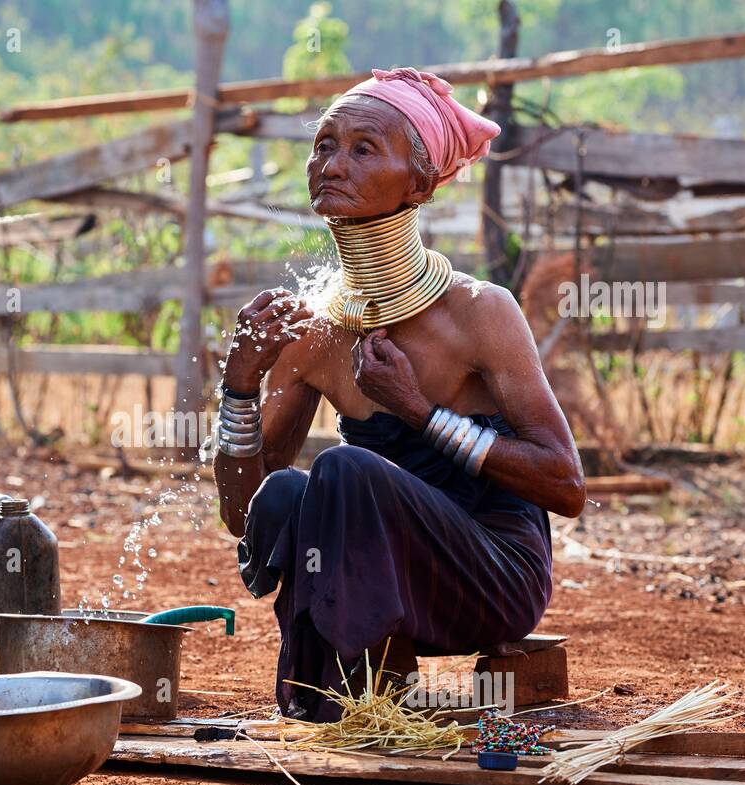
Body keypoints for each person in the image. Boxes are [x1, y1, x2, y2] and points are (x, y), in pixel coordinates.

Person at [211, 69, 585, 722]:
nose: (333, 164)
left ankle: (363, 691)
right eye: (324, 145)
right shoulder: (314, 332)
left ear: (420, 182)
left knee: (342, 468)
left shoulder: (479, 312)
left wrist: (422, 414)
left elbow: (566, 485)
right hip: (387, 586)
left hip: (492, 580)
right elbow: (247, 517)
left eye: (363, 148)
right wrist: (238, 388)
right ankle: (354, 691)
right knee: (288, 492)